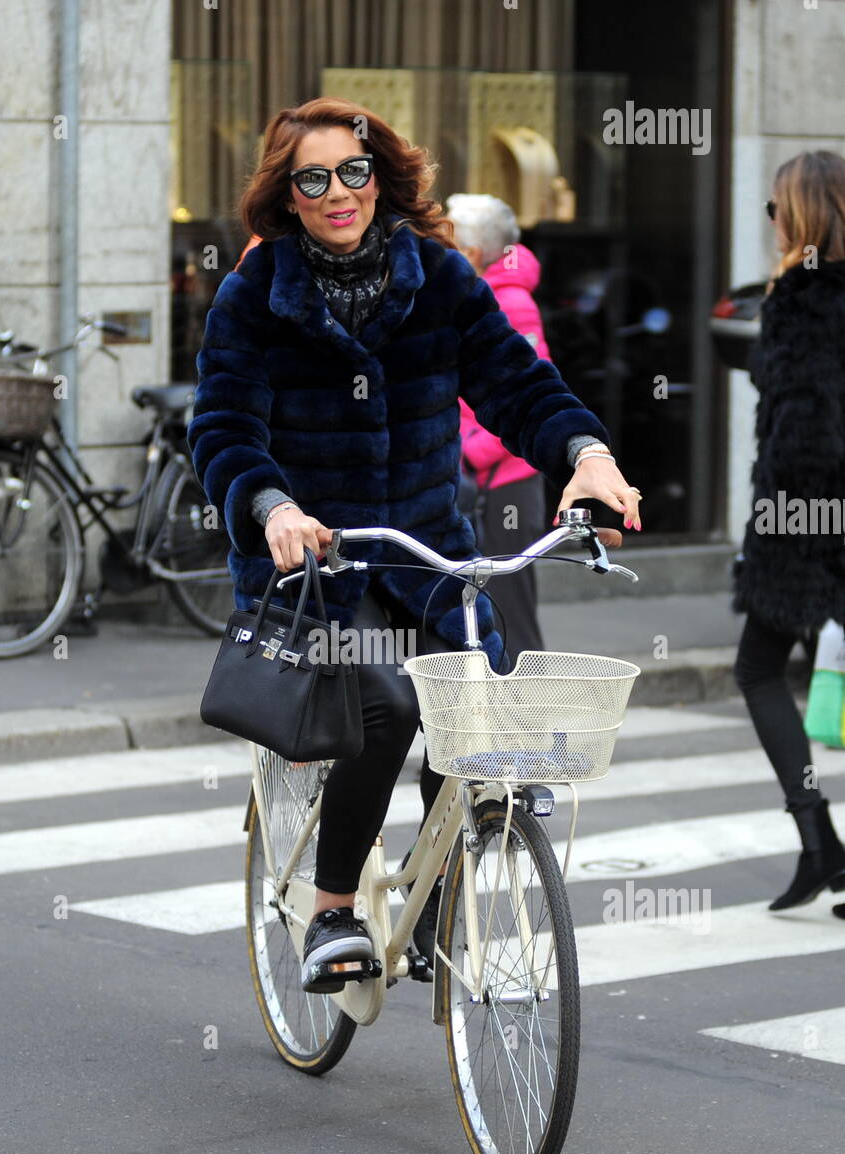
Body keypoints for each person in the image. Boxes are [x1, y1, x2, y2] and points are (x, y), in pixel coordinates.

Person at [189, 97, 642, 990]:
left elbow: (520, 385)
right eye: (311, 179)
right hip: (314, 564)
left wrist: (586, 455)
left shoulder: (435, 276)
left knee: (468, 707)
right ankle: (331, 910)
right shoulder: (255, 290)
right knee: (390, 701)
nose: (337, 193)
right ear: (288, 194)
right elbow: (223, 430)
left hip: (424, 553)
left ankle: (441, 907)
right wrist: (273, 506)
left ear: (379, 174)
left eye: (352, 171)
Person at [732, 150, 845, 912]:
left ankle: (817, 841)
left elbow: (808, 429)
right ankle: (820, 847)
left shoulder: (802, 296)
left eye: (776, 210)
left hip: (804, 529)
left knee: (759, 671)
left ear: (800, 216)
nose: (770, 222)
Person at [447, 192, 551, 658]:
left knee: (510, 615)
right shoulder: (476, 292)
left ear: (470, 251)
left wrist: (469, 448)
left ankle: (529, 719)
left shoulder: (510, 302)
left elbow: (529, 397)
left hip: (502, 484)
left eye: (447, 233)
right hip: (484, 482)